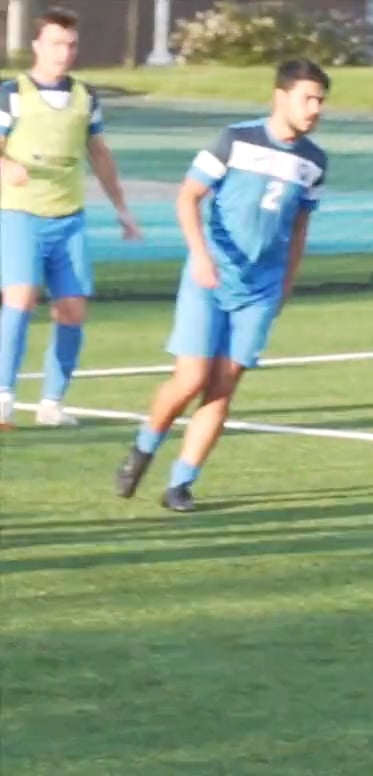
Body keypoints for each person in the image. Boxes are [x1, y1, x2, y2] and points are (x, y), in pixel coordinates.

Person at [113, 59, 330, 514]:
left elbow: (299, 228)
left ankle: (180, 485)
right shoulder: (235, 139)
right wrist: (202, 255)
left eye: (320, 100)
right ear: (281, 96)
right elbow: (187, 197)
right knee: (190, 378)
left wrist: (285, 285)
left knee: (223, 386)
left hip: (260, 288)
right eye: (307, 98)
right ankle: (143, 447)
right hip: (208, 278)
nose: (314, 109)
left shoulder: (314, 161)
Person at [0, 6, 143, 429]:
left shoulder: (86, 97)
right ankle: (3, 394)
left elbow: (99, 154)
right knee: (21, 298)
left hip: (69, 218)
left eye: (71, 44)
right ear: (37, 46)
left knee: (73, 309)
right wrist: (7, 166)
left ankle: (52, 403)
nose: (65, 51)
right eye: (56, 43)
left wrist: (122, 211)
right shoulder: (12, 93)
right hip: (20, 213)